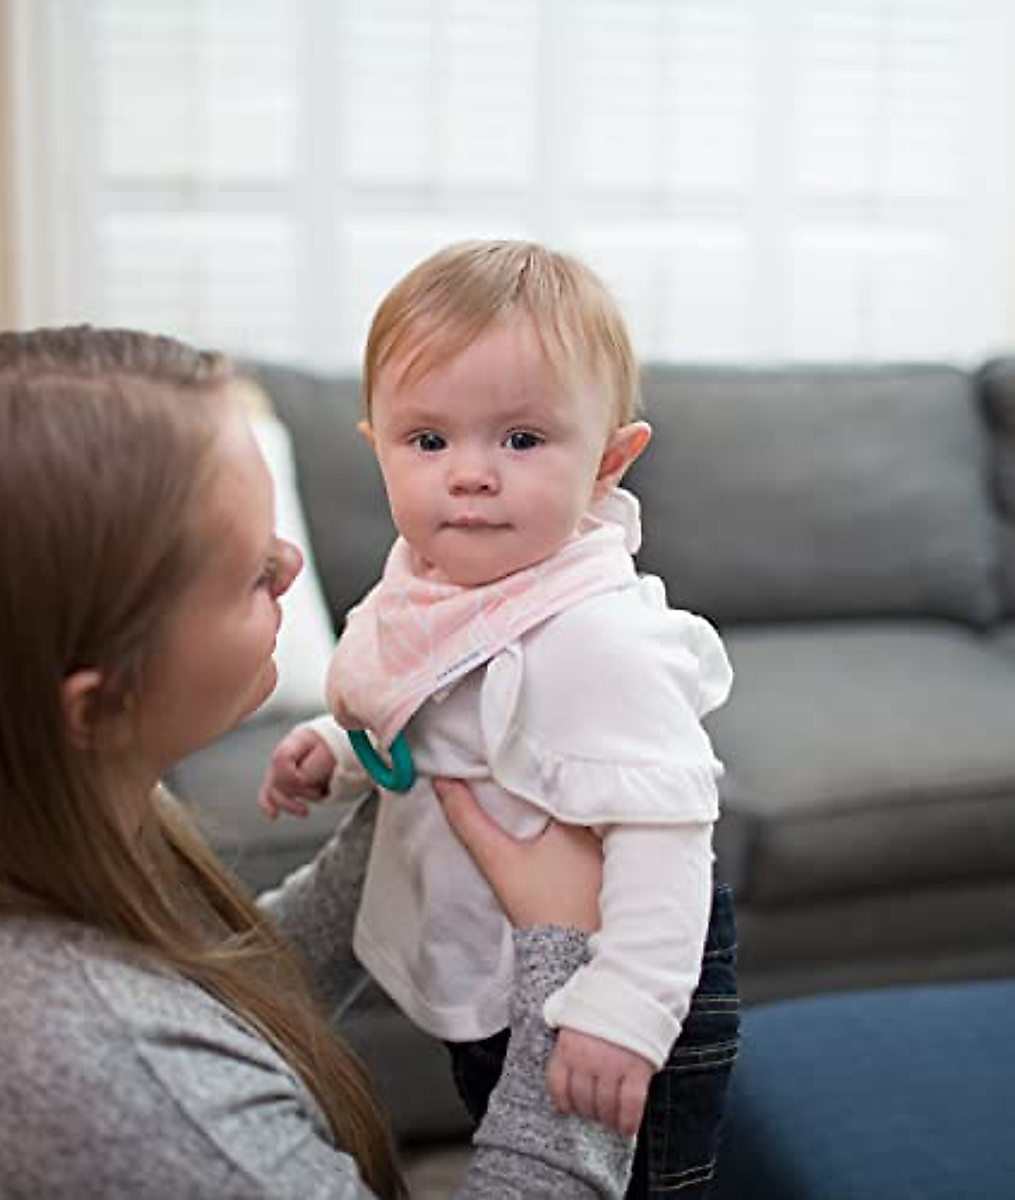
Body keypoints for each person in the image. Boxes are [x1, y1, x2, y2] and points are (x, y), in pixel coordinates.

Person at [0, 327, 637, 1198]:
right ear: (98, 704)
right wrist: (574, 972)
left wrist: (431, 786)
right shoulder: (117, 1093)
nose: (292, 563)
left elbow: (211, 992)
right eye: (251, 572)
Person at [259, 240, 739, 1194]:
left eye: (521, 440)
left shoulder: (596, 637)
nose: (469, 474)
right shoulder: (436, 579)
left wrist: (623, 1012)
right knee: (497, 1112)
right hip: (508, 971)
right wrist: (339, 748)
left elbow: (668, 838)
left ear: (608, 461)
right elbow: (437, 708)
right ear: (378, 446)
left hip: (624, 981)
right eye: (428, 441)